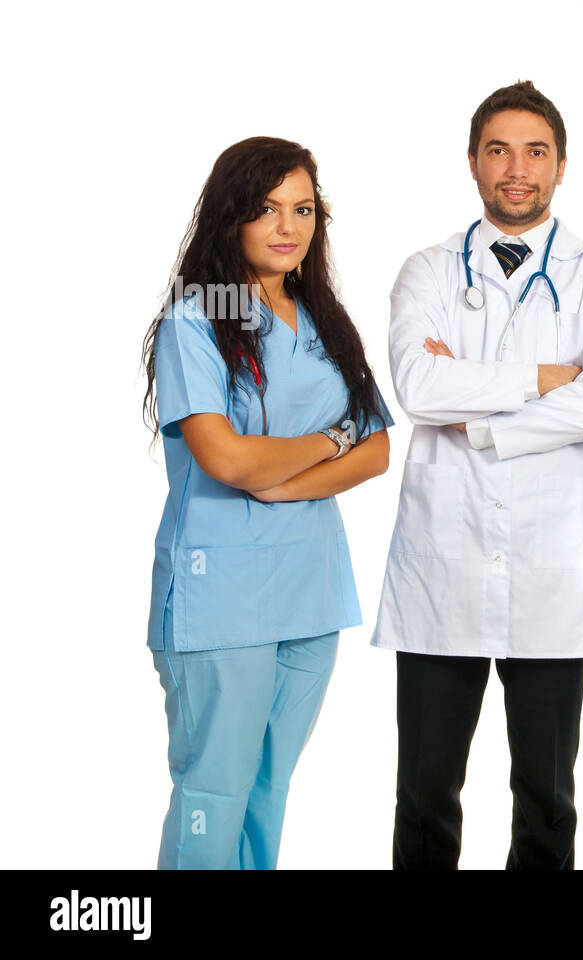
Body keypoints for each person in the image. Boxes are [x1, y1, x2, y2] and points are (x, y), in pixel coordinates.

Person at [371, 81, 583, 870]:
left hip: (549, 574)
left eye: (534, 152)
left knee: (548, 798)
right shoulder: (424, 271)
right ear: (472, 163)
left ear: (561, 166)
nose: (516, 170)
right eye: (498, 151)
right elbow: (418, 389)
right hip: (440, 571)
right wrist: (548, 376)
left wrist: (480, 415)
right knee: (423, 795)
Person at [141, 136, 394, 869]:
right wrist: (327, 442)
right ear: (232, 218)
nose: (289, 227)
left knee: (266, 789)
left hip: (309, 593)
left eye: (304, 209)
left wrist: (276, 472)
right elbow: (224, 458)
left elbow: (376, 450)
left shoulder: (321, 316)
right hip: (220, 597)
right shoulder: (199, 315)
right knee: (213, 792)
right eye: (266, 209)